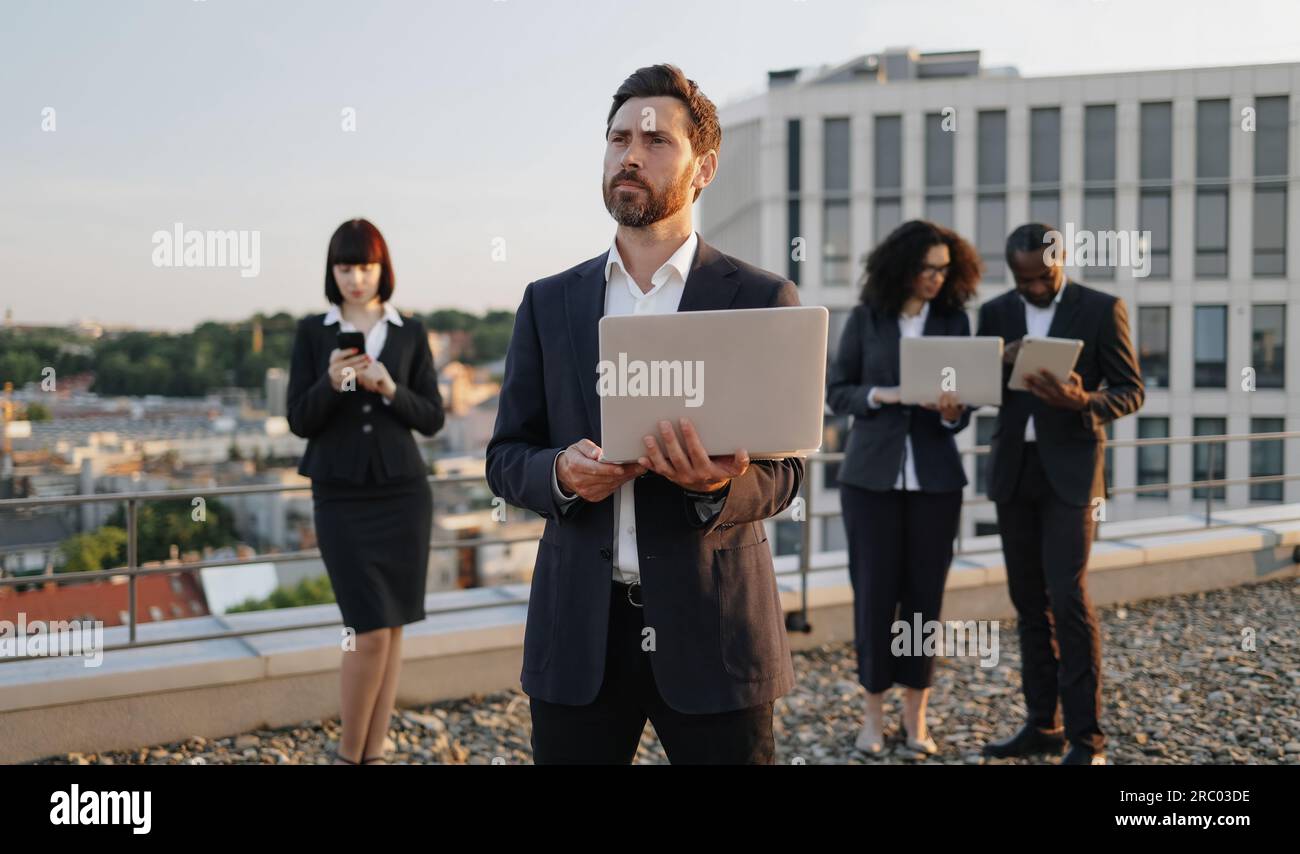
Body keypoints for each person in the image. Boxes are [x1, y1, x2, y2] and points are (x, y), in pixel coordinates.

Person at [486, 64, 803, 764]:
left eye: (656, 141)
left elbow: (785, 473)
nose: (630, 154)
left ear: (704, 167)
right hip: (579, 636)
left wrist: (718, 486)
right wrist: (562, 476)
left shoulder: (760, 296)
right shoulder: (548, 301)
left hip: (716, 633)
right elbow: (506, 456)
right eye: (618, 137)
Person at [977, 223, 1144, 765]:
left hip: (1072, 475)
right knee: (1028, 605)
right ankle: (1042, 725)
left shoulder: (1101, 308)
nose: (1033, 288)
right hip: (1013, 472)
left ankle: (1087, 740)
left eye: (1042, 277)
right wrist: (997, 363)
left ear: (1062, 261)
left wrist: (1085, 401)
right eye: (1023, 280)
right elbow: (981, 387)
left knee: (1068, 600)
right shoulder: (997, 312)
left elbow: (1131, 390)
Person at [286, 218, 446, 765]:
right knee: (367, 630)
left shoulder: (409, 331)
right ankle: (349, 755)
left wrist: (389, 387)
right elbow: (299, 421)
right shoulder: (313, 331)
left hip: (404, 492)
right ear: (333, 272)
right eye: (346, 266)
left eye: (367, 266)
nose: (356, 277)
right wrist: (330, 384)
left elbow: (432, 418)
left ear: (384, 269)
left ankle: (373, 753)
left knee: (393, 628)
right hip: (340, 496)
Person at [827, 220, 980, 757]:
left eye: (943, 269)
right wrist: (885, 395)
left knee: (923, 602)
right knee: (873, 597)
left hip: (936, 481)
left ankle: (917, 718)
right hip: (870, 480)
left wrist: (954, 409)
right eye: (926, 268)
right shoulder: (867, 319)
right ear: (901, 268)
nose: (936, 278)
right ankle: (872, 716)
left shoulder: (954, 322)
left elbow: (967, 406)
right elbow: (838, 392)